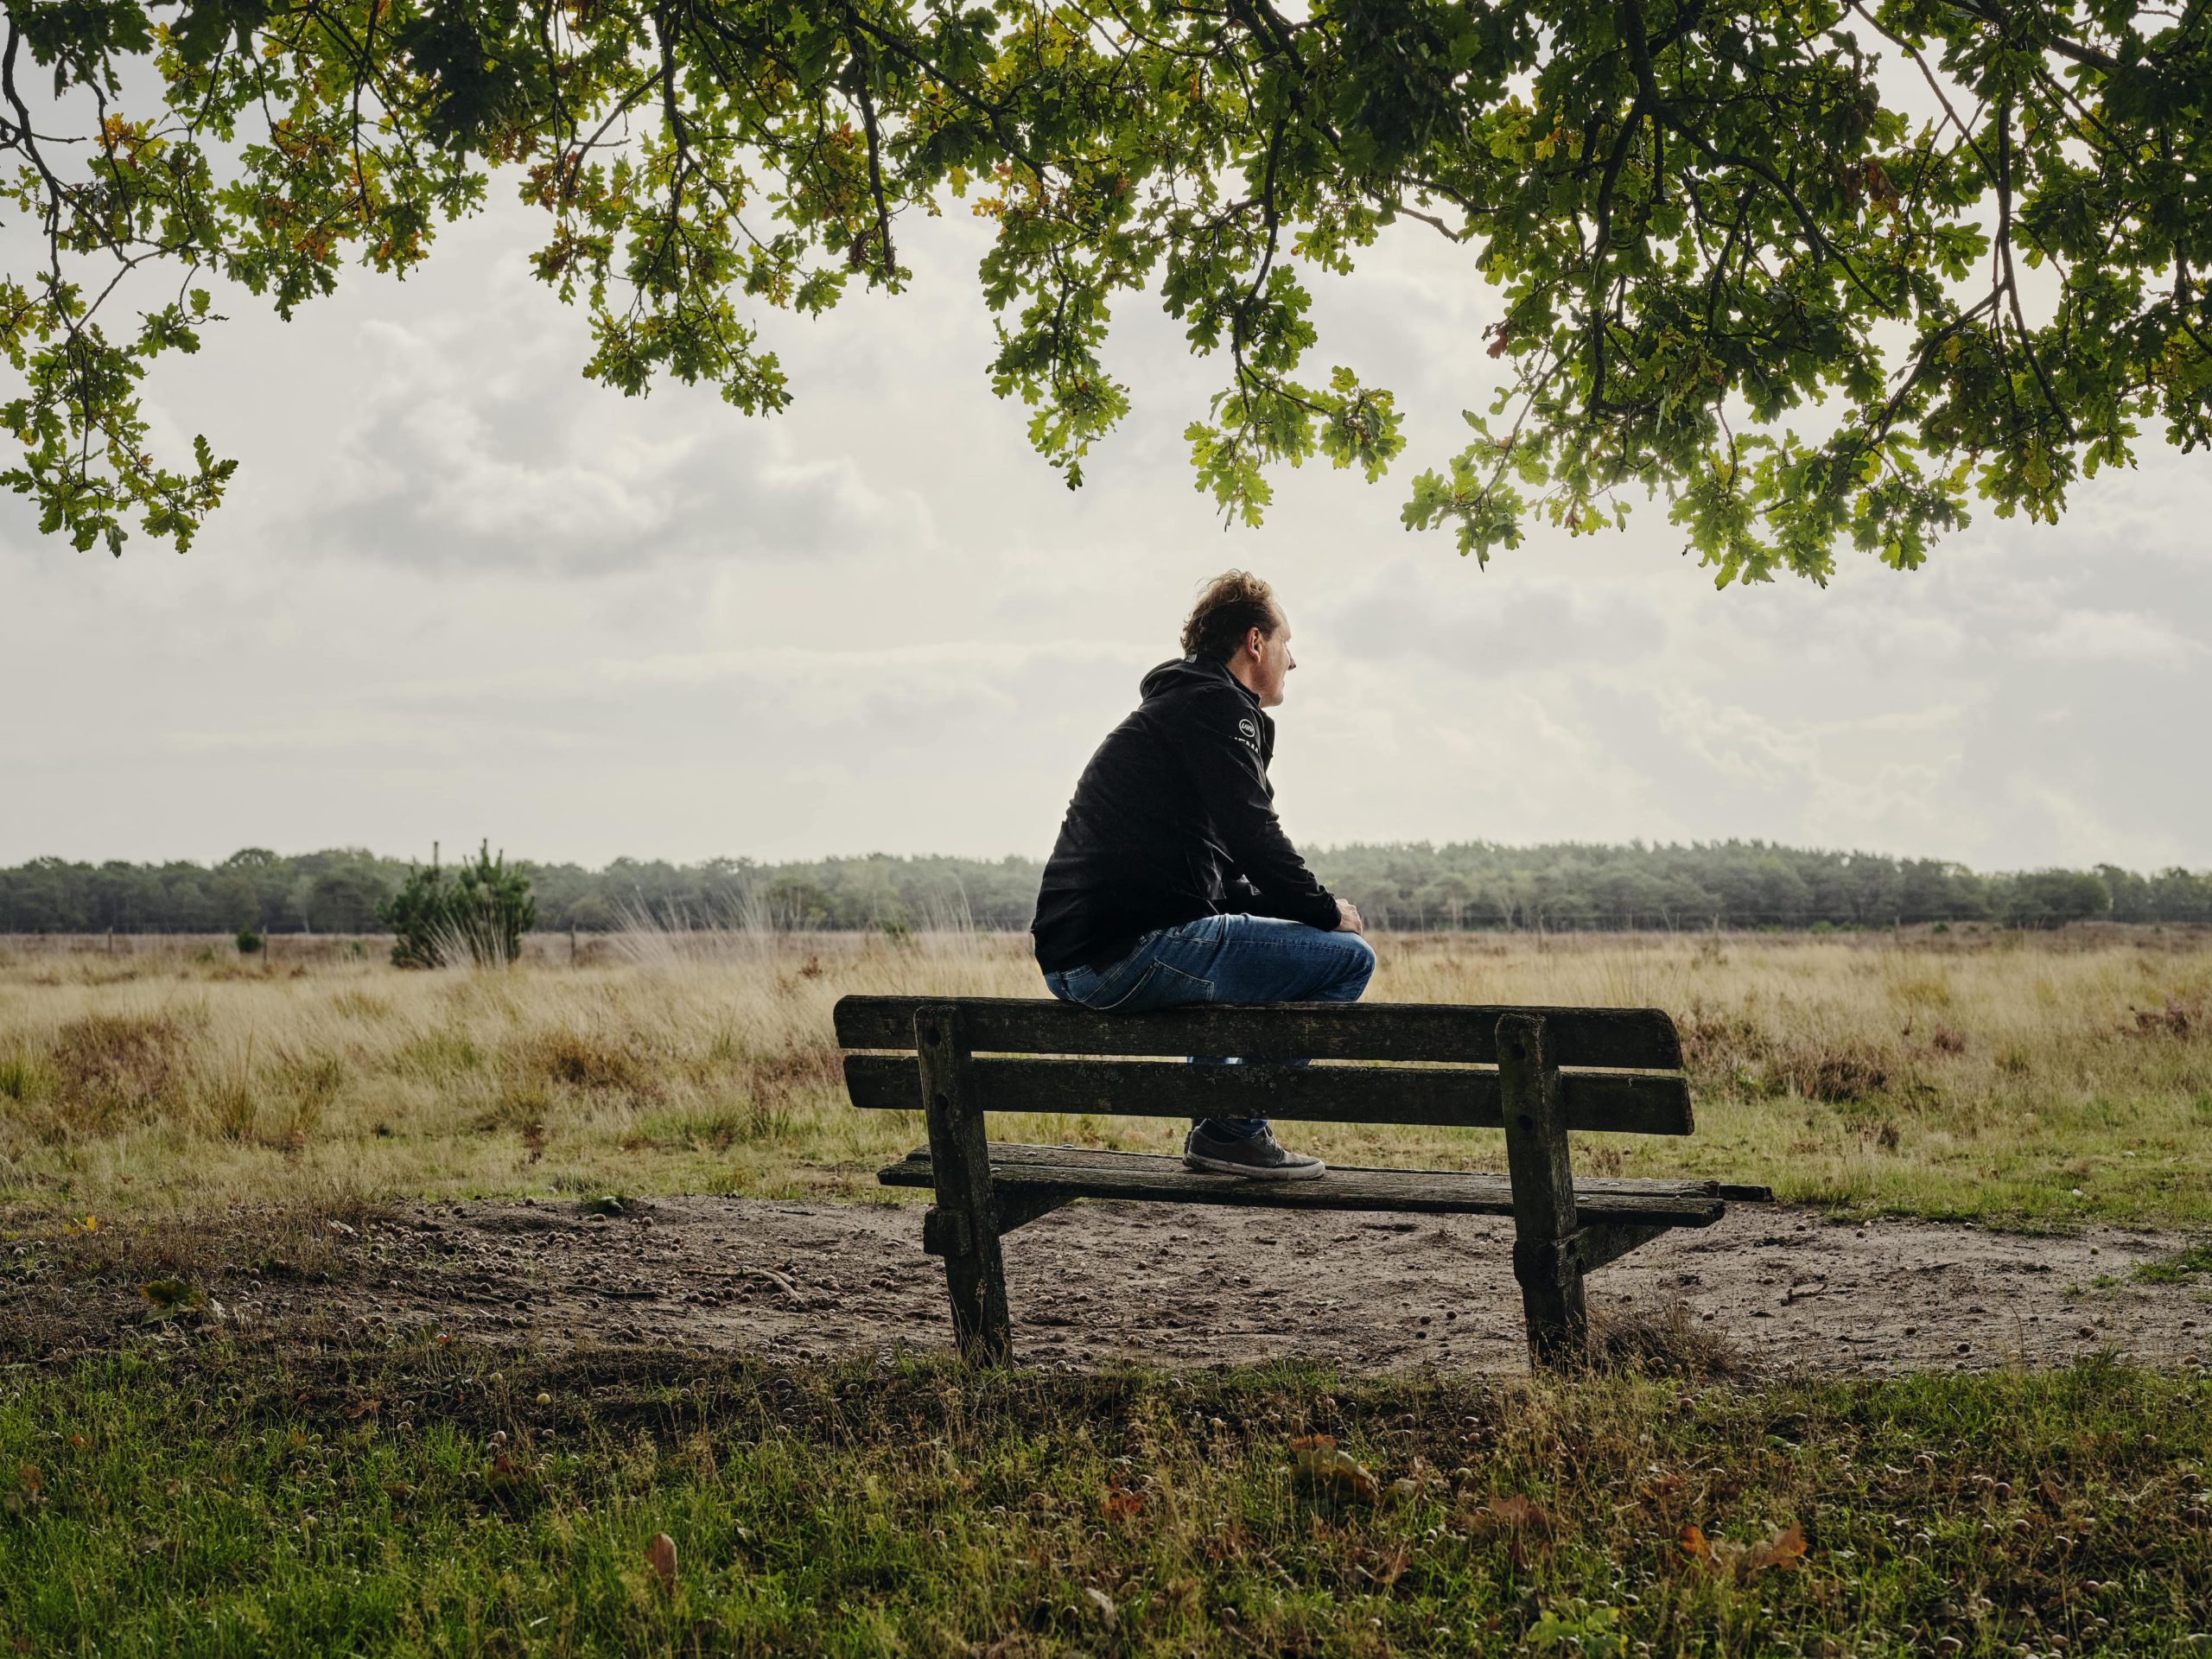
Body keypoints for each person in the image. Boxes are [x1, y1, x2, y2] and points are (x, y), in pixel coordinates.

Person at [1031, 570, 1373, 1179]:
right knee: (1349, 960)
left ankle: (1221, 1130)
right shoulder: (1217, 706)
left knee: (1235, 952)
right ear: (1255, 643)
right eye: (1287, 643)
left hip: (1075, 963)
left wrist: (1296, 909)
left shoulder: (1176, 708)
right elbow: (1254, 836)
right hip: (1132, 953)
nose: (1293, 662)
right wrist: (1326, 911)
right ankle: (1233, 1128)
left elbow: (1229, 880)